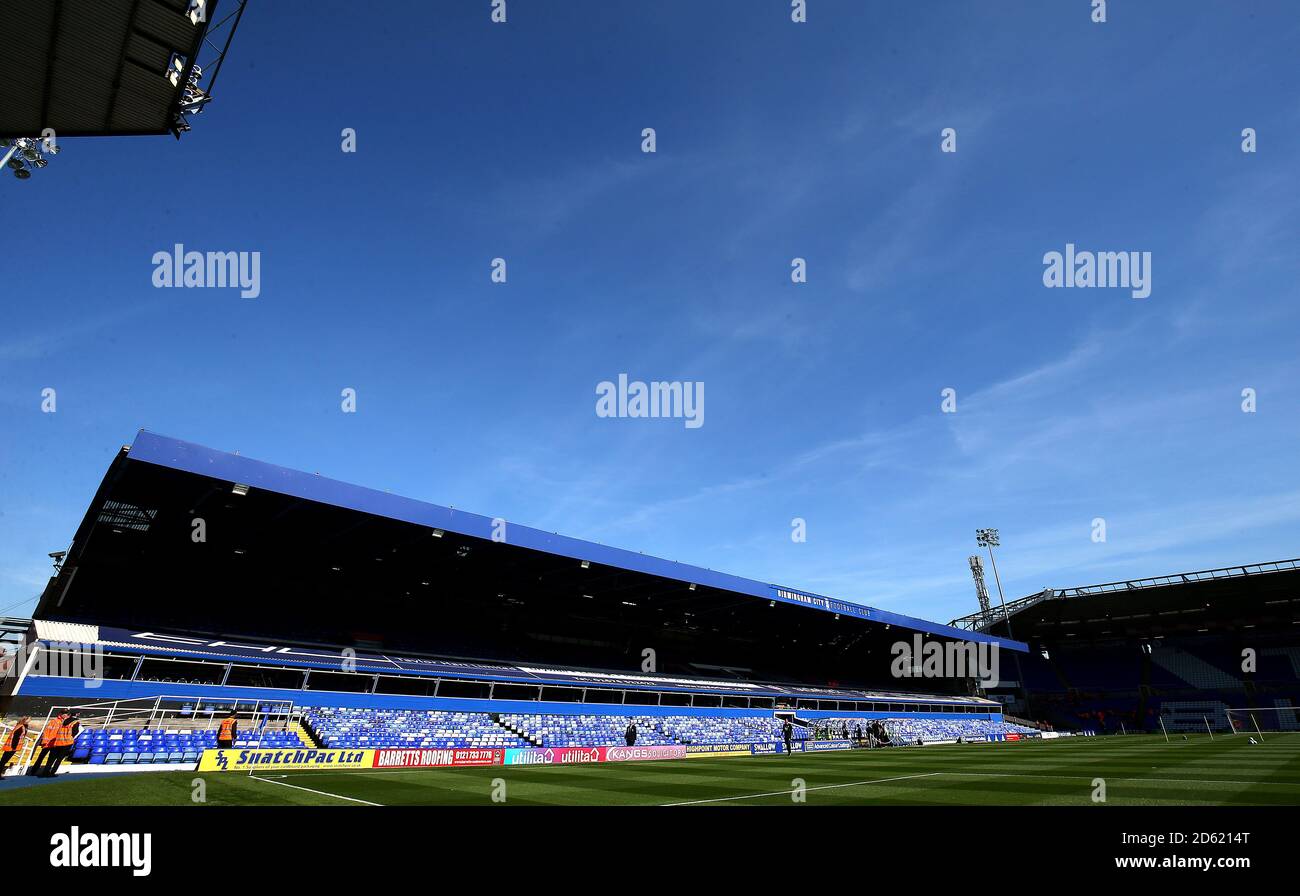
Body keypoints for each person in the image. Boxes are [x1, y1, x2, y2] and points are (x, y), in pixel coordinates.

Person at [28, 712, 66, 776]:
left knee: (46, 759)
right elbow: (47, 732)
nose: (66, 716)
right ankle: (36, 771)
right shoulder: (56, 722)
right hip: (49, 743)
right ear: (61, 714)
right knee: (44, 758)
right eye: (65, 714)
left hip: (52, 743)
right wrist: (44, 742)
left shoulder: (60, 722)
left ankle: (41, 772)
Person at [42, 713, 79, 777]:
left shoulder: (63, 721)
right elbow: (75, 732)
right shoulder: (75, 722)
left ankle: (45, 772)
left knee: (51, 758)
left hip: (58, 742)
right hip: (67, 742)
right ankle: (52, 772)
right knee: (59, 759)